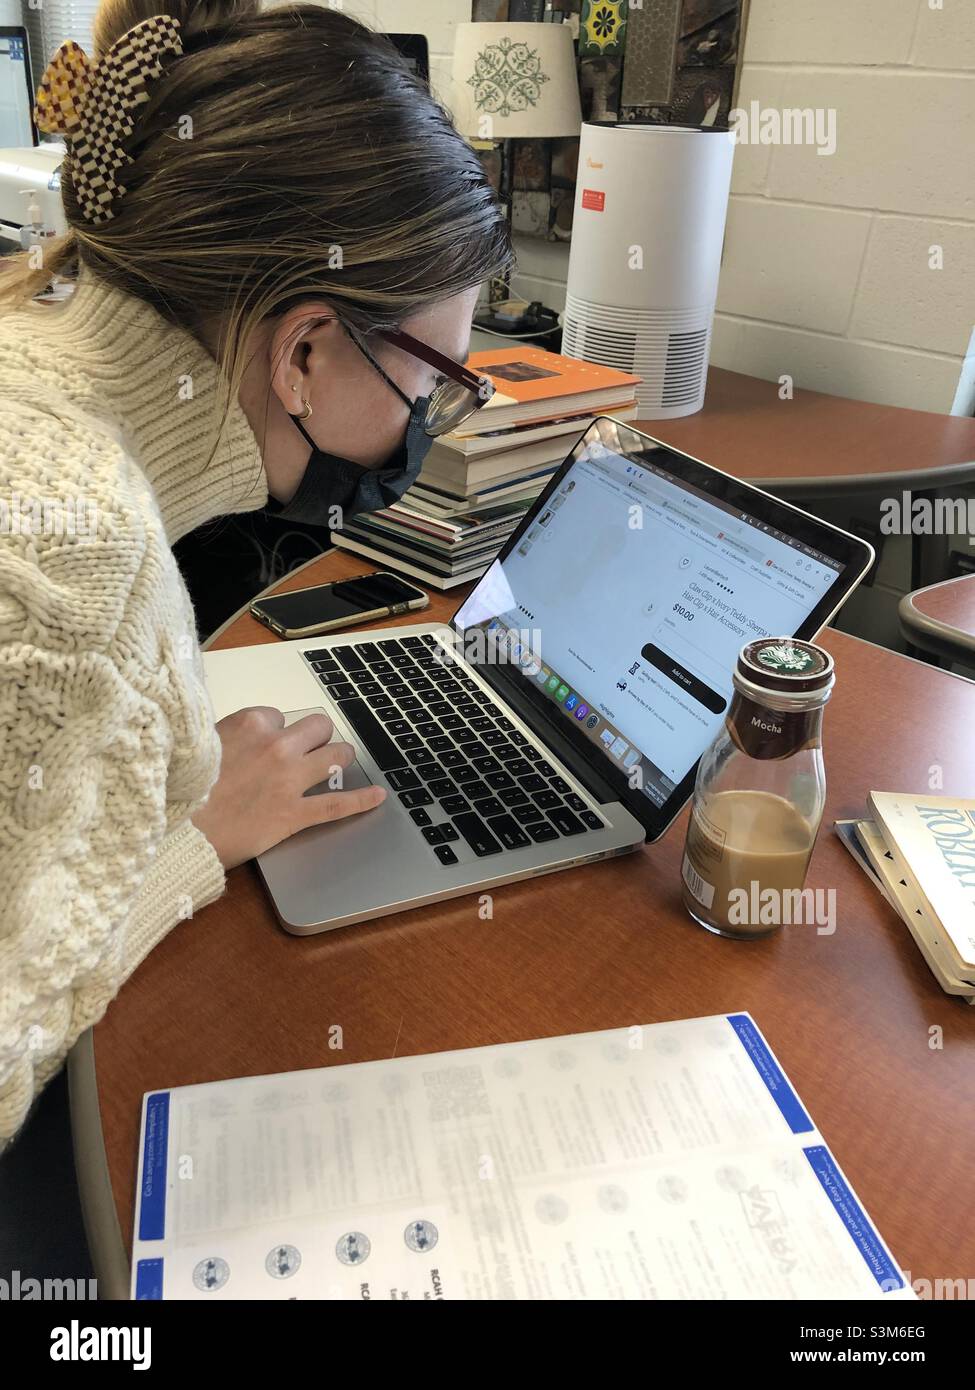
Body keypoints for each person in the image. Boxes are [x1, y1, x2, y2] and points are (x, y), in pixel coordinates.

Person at [0, 0, 513, 1146]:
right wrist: (193, 844)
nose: (426, 421)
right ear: (307, 352)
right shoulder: (85, 554)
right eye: (432, 383)